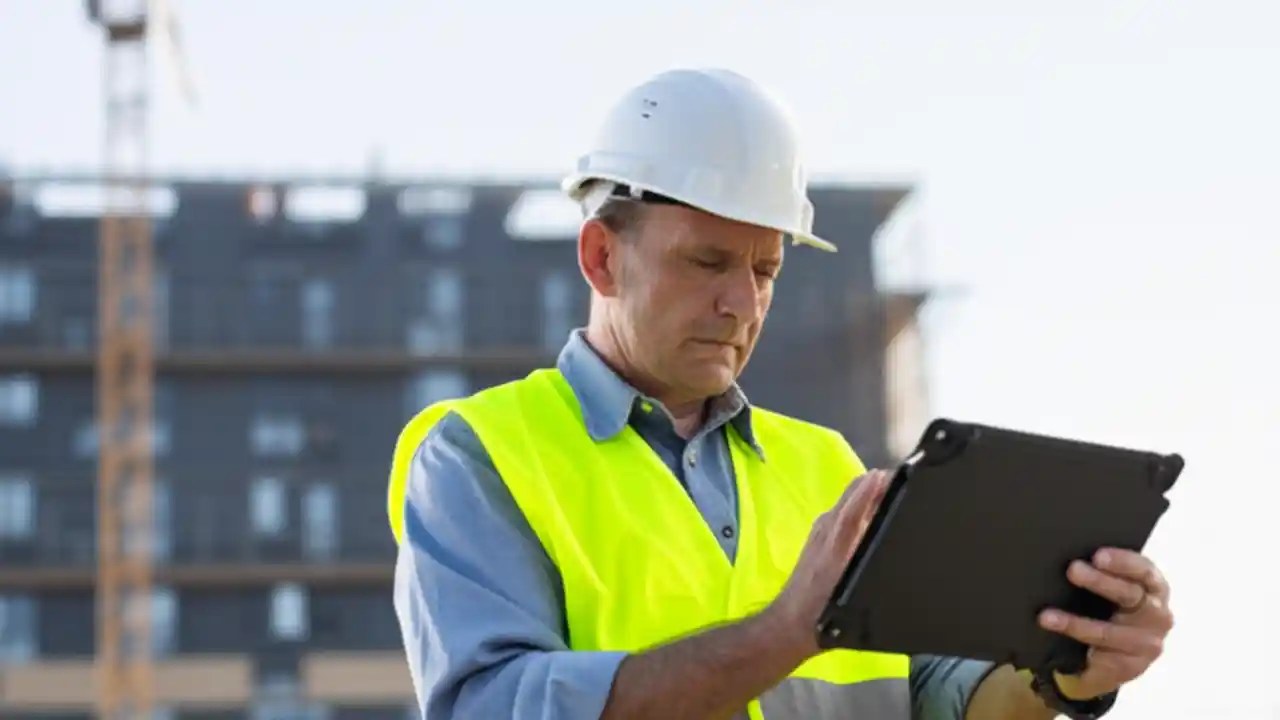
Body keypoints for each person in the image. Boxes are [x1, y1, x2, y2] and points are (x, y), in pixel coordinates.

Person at [387, 68, 1174, 720]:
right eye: (706, 263)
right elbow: (490, 707)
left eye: (765, 270)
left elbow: (936, 700)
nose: (743, 303)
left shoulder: (825, 466)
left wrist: (1073, 671)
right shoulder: (479, 454)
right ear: (601, 258)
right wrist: (786, 633)